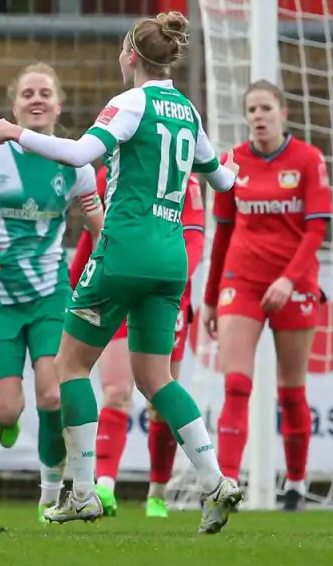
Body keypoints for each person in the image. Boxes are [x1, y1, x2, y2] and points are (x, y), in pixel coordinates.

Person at [0, 11, 244, 535]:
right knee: (156, 378)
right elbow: (220, 179)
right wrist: (233, 170)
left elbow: (82, 153)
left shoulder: (132, 101)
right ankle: (215, 481)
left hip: (124, 251)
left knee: (70, 367)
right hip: (171, 259)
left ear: (130, 55)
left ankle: (81, 492)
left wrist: (18, 133)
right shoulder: (187, 109)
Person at [0, 63, 104, 523]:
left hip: (50, 294)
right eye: (27, 94)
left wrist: (115, 270)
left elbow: (99, 227)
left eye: (45, 94)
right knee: (3, 410)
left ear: (58, 105)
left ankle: (50, 491)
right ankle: (7, 423)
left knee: (54, 395)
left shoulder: (76, 162)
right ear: (14, 105)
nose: (36, 100)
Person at [201, 79, 333, 512]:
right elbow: (221, 234)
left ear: (283, 113)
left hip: (293, 284)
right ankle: (227, 485)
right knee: (237, 383)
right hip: (242, 280)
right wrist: (209, 295)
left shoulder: (309, 160)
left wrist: (290, 280)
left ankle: (295, 484)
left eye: (265, 108)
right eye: (251, 110)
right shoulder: (232, 161)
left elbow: (316, 230)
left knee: (291, 390)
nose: (257, 116)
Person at [69, 172, 204, 519]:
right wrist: (74, 284)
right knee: (115, 391)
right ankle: (105, 485)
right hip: (114, 285)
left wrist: (161, 280)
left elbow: (195, 243)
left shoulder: (183, 178)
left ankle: (158, 492)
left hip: (161, 294)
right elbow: (94, 235)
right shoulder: (106, 173)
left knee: (159, 393)